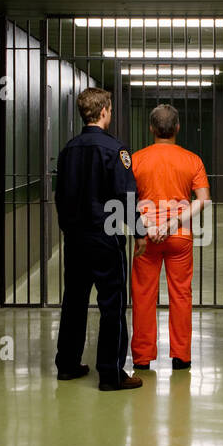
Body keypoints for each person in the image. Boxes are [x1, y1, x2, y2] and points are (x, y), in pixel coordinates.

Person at [53, 87, 144, 391]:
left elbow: (60, 196)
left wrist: (67, 227)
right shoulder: (115, 150)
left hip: (76, 237)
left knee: (74, 300)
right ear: (104, 111)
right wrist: (139, 231)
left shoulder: (68, 150)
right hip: (106, 237)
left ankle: (66, 364)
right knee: (112, 304)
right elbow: (125, 195)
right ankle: (111, 373)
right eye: (111, 109)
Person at [129, 104, 211, 371]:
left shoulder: (137, 159)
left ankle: (142, 359)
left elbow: (127, 199)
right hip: (180, 235)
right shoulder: (192, 159)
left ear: (151, 128)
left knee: (143, 295)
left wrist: (144, 227)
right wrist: (175, 220)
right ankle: (181, 356)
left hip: (146, 236)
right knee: (181, 295)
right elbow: (203, 201)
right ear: (177, 128)